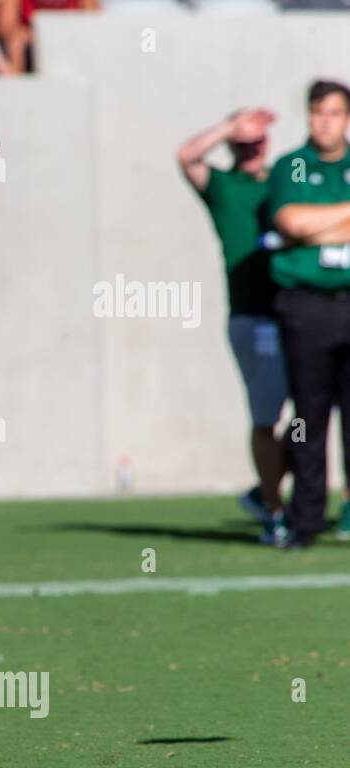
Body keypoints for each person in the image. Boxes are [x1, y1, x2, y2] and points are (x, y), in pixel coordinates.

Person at [177, 108, 288, 537]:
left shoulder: (283, 181)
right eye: (243, 138)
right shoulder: (224, 186)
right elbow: (186, 156)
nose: (251, 145)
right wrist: (229, 125)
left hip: (299, 312)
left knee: (311, 419)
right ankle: (275, 512)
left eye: (257, 138)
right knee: (267, 417)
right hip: (252, 316)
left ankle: (267, 489)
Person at [267, 79, 350, 548]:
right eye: (318, 112)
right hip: (307, 307)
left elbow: (306, 226)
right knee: (308, 419)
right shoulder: (293, 166)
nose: (325, 122)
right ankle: (306, 519)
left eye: (334, 113)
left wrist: (317, 226)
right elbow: (291, 222)